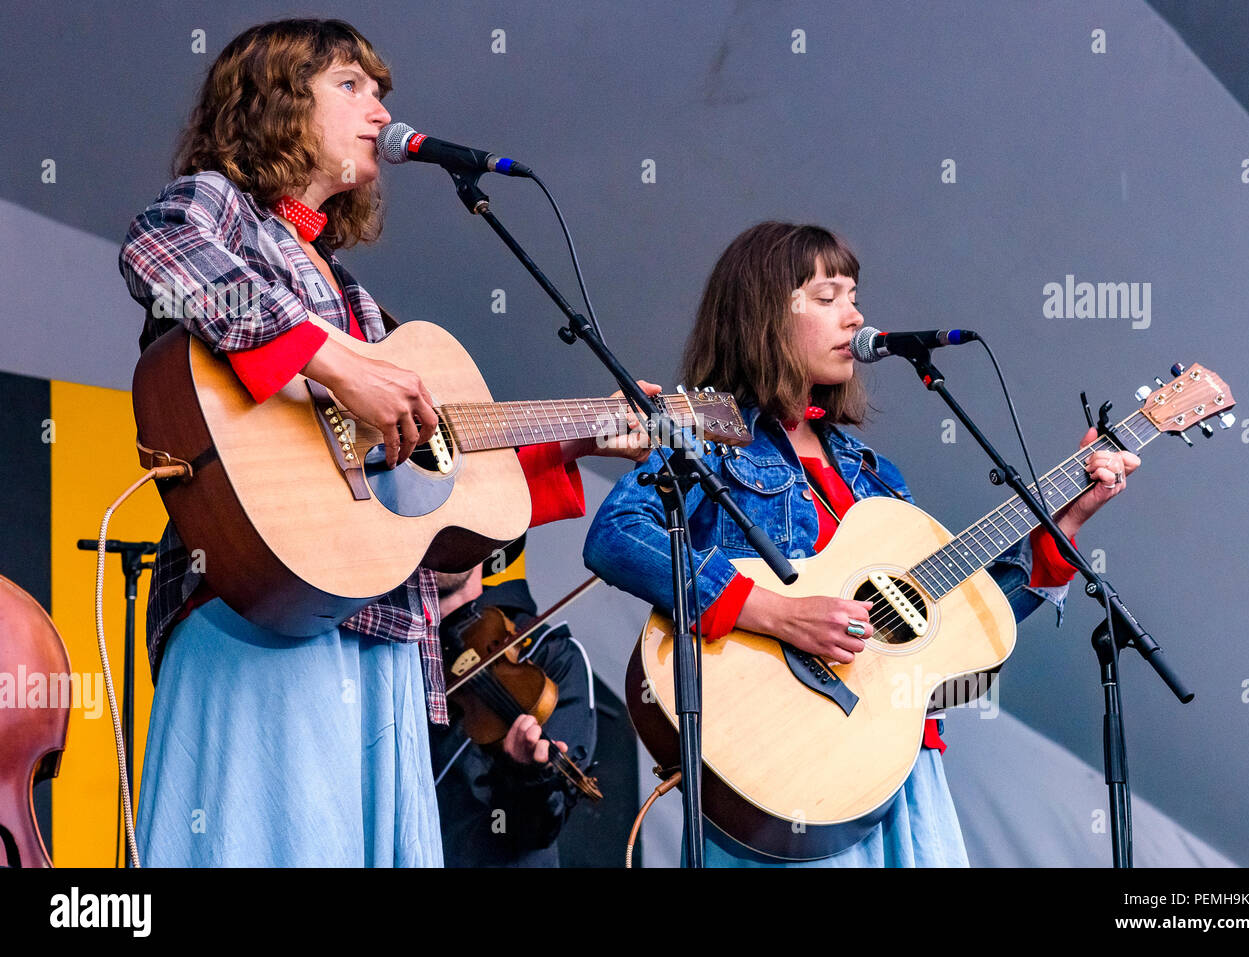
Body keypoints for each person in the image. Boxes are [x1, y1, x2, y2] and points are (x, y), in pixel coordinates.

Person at [118, 18, 646, 866]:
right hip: (259, 601)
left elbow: (435, 477)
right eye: (350, 86)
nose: (379, 110)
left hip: (379, 628)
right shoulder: (221, 205)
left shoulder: (359, 302)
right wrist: (333, 365)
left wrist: (581, 433)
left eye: (380, 92)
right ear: (275, 103)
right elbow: (160, 248)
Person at [582, 221, 1140, 867]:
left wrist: (1061, 528)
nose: (856, 314)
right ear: (763, 312)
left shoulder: (871, 471)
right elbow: (617, 535)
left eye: (854, 294)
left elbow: (952, 636)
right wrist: (775, 612)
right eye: (828, 296)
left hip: (891, 765)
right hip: (780, 765)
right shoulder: (707, 433)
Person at [430, 536, 598, 867]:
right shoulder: (383, 649)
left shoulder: (545, 654)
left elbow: (536, 832)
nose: (439, 533)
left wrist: (526, 775)